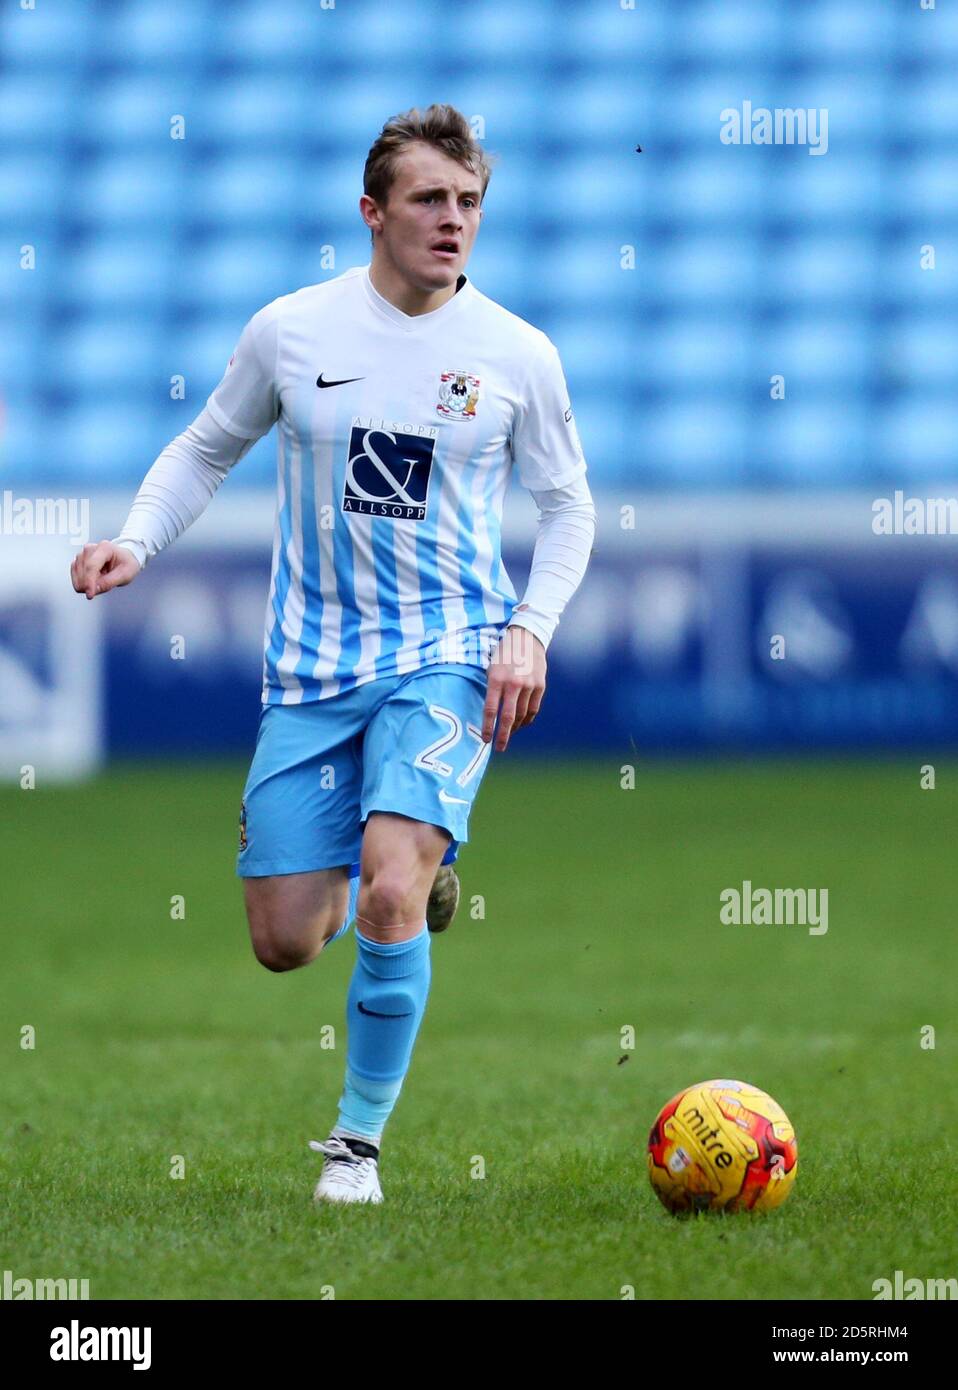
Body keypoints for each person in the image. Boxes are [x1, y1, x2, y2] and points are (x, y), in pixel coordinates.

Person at [70, 103, 597, 1205]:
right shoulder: (292, 332)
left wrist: (527, 630)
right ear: (372, 211)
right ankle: (398, 866)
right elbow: (207, 445)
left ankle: (353, 1149)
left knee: (390, 890)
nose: (452, 222)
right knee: (284, 942)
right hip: (312, 671)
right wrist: (134, 537)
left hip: (449, 653)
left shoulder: (516, 356)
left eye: (467, 203)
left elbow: (567, 507)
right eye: (428, 200)